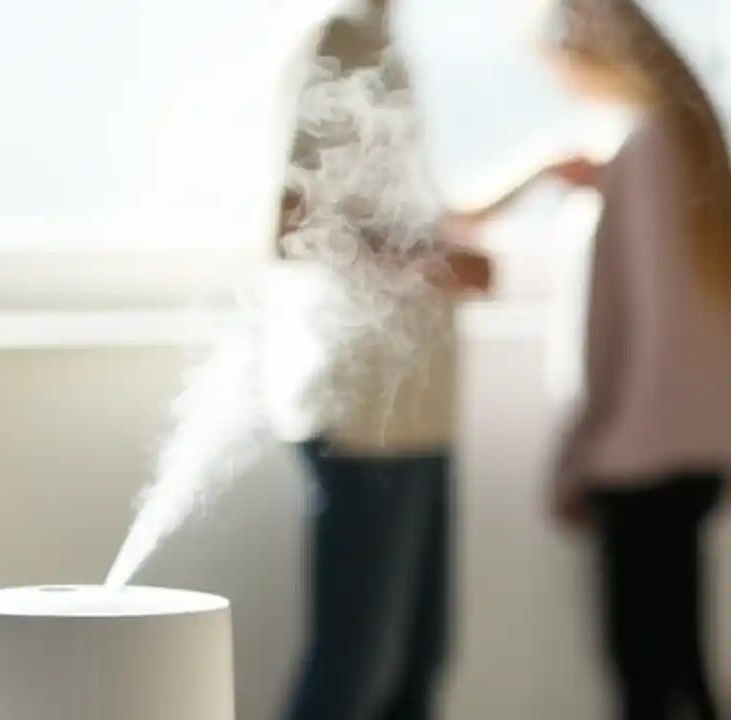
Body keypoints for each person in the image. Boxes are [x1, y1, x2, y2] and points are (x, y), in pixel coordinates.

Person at [454, 1, 731, 717]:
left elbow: (619, 331)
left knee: (643, 670)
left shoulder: (643, 150)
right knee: (683, 664)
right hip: (698, 450)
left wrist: (578, 452)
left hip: (632, 453)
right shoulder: (688, 142)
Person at [270, 2, 491, 718]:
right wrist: (437, 263)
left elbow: (391, 213)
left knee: (419, 662)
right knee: (357, 667)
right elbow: (296, 221)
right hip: (368, 415)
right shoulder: (341, 39)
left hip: (419, 410)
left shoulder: (391, 45)